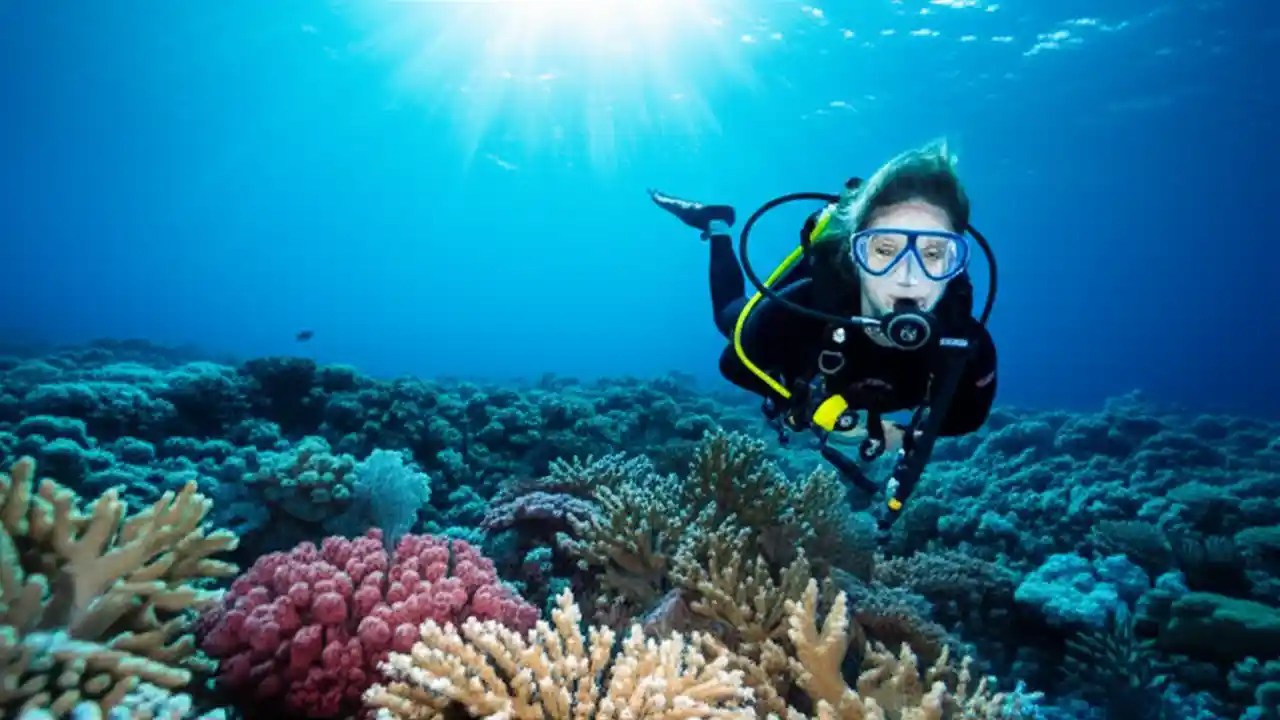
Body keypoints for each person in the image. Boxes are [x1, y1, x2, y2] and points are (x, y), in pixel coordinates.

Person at [649, 140, 998, 529]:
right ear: (854, 254)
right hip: (805, 336)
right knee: (729, 316)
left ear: (955, 265)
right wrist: (809, 409)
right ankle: (716, 226)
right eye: (884, 249)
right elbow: (735, 363)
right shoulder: (802, 308)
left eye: (934, 254)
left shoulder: (966, 348)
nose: (909, 276)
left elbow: (966, 417)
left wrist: (895, 436)